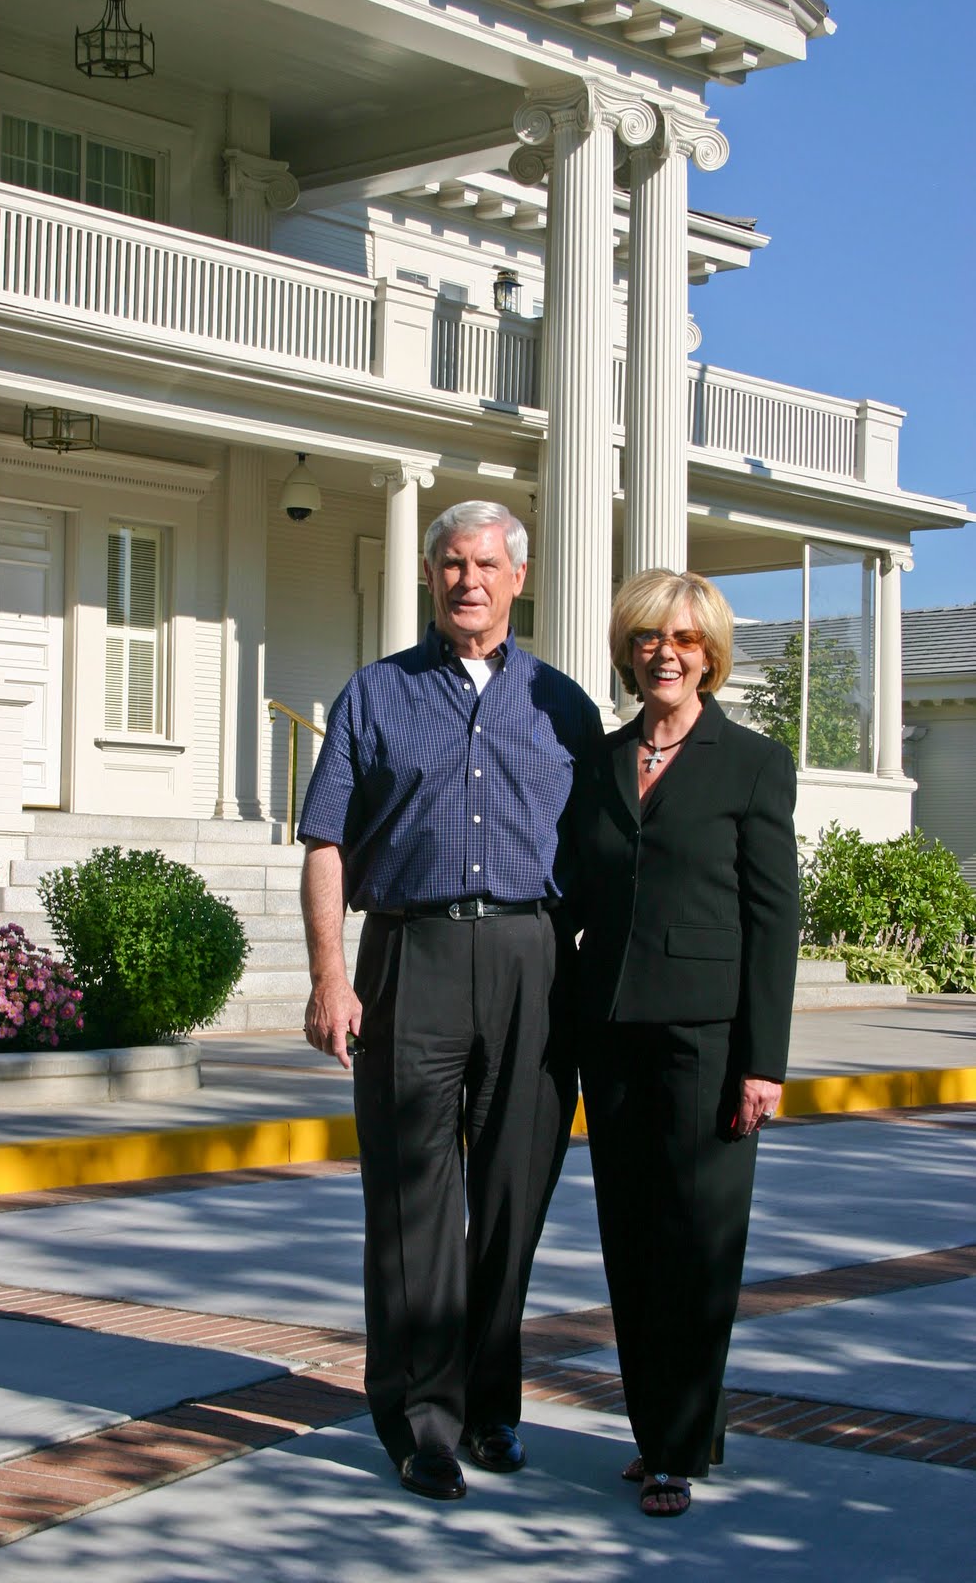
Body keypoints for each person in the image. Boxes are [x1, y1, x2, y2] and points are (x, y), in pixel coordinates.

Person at [298, 499, 602, 1502]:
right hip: (408, 958)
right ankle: (421, 1423)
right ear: (429, 577)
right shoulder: (374, 694)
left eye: (485, 564)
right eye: (449, 564)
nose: (466, 579)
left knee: (512, 1203)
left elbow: (606, 857)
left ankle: (492, 1406)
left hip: (532, 960)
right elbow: (327, 844)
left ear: (518, 578)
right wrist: (330, 976)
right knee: (409, 1204)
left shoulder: (565, 707)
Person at [571, 568, 799, 1519]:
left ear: (709, 654)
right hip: (610, 1032)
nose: (664, 654)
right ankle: (664, 1429)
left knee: (697, 1242)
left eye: (684, 640)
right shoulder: (601, 756)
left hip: (708, 1036)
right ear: (627, 651)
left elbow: (771, 916)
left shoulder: (751, 761)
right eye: (647, 639)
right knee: (630, 1238)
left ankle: (676, 1447)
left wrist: (764, 1061)